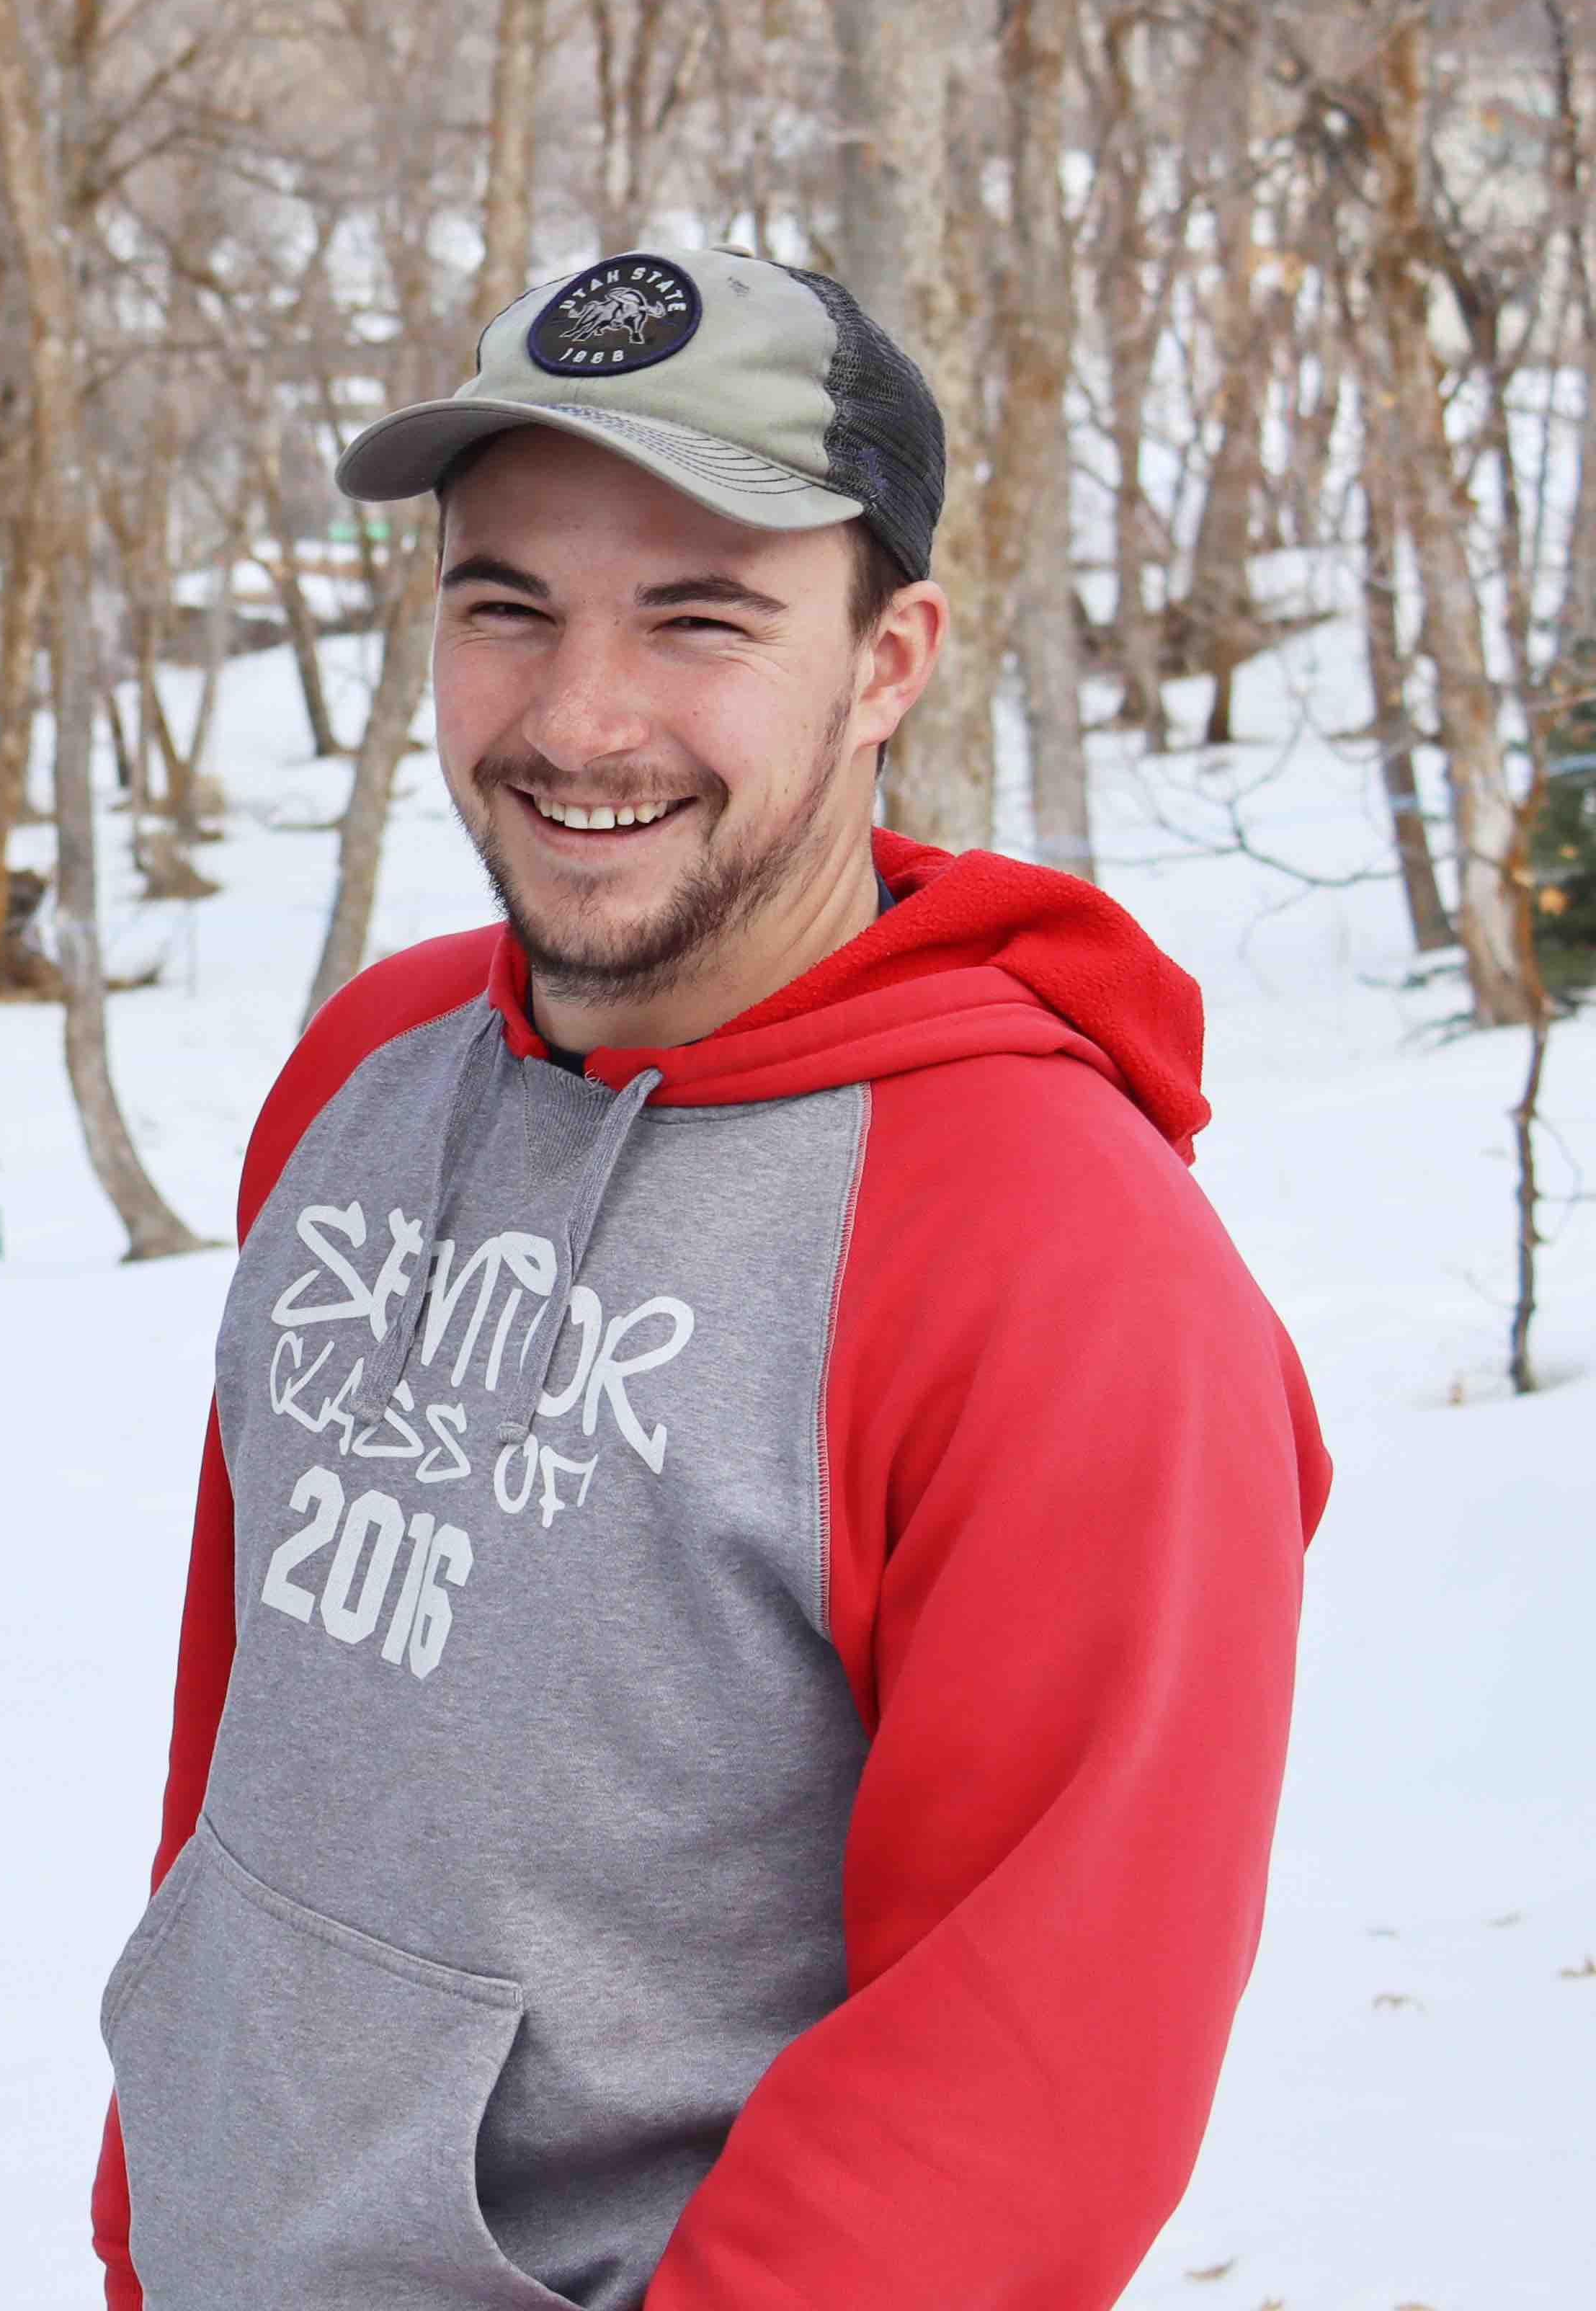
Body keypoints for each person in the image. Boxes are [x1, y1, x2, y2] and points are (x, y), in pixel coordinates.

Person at [88, 250, 1330, 2310]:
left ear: (889, 660)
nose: (580, 718)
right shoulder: (369, 1079)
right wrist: (160, 2198)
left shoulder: (1058, 1266)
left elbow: (1021, 2089)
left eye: (701, 618)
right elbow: (260, 1733)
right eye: (508, 605)